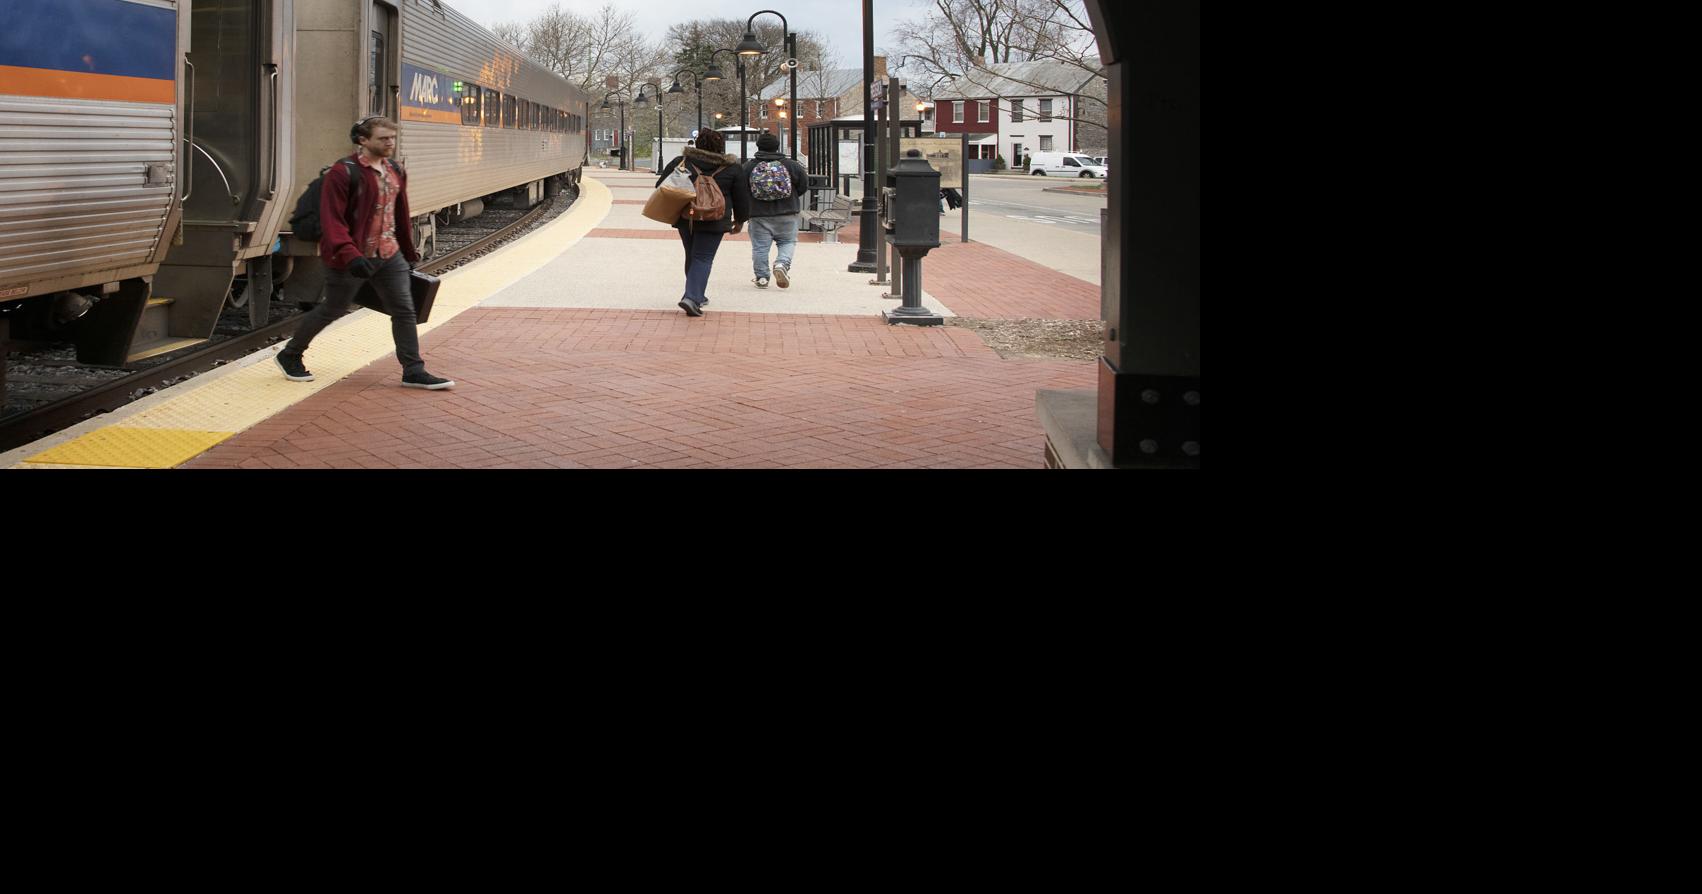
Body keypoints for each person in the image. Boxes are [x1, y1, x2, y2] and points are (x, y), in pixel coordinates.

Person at [275, 116, 452, 389]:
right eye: (383, 138)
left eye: (392, 138)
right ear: (363, 140)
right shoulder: (342, 173)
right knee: (333, 308)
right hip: (350, 257)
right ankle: (290, 354)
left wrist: (408, 251)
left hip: (389, 254)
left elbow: (400, 213)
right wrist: (351, 255)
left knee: (404, 310)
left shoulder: (395, 170)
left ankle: (413, 370)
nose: (390, 143)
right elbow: (332, 221)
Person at [655, 129, 749, 316]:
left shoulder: (681, 162)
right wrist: (740, 220)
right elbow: (741, 197)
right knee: (703, 257)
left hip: (687, 216)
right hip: (716, 219)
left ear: (697, 144)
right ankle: (692, 297)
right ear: (721, 146)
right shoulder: (732, 168)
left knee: (692, 255)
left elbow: (661, 186)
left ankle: (696, 294)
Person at [742, 132, 808, 289]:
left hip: (758, 214)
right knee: (788, 242)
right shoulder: (791, 165)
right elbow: (803, 185)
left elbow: (741, 189)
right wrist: (792, 197)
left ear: (758, 146)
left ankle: (762, 277)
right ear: (777, 146)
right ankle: (781, 264)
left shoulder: (749, 166)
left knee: (760, 247)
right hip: (787, 212)